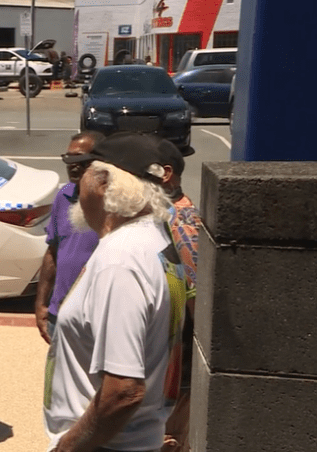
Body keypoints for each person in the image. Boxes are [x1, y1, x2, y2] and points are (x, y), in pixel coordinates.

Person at [46, 132, 188, 452]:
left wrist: (66, 448)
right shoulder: (154, 240)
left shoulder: (120, 259)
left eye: (85, 172)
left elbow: (124, 391)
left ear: (104, 184)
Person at [36, 132, 103, 433]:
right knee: (59, 390)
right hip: (58, 314)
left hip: (96, 317)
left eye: (81, 160)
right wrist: (40, 303)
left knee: (94, 393)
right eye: (68, 160)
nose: (73, 166)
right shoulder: (62, 196)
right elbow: (53, 250)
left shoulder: (110, 203)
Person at [154, 139, 201, 452]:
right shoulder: (162, 215)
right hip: (162, 358)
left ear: (165, 174)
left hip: (175, 363)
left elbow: (197, 300)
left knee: (169, 441)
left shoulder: (182, 221)